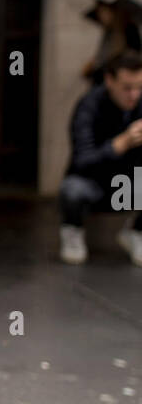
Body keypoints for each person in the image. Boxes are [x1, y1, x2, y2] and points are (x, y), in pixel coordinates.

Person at [59, 50, 142, 266]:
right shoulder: (89, 106)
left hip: (129, 185)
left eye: (139, 88)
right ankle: (72, 231)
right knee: (71, 189)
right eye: (127, 88)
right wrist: (119, 144)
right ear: (109, 80)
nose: (133, 95)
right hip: (95, 184)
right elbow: (82, 161)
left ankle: (137, 232)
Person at [82, 0, 142, 88]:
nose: (101, 15)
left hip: (119, 85)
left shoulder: (129, 31)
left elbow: (133, 61)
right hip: (103, 82)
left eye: (104, 11)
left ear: (113, 11)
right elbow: (102, 57)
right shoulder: (109, 32)